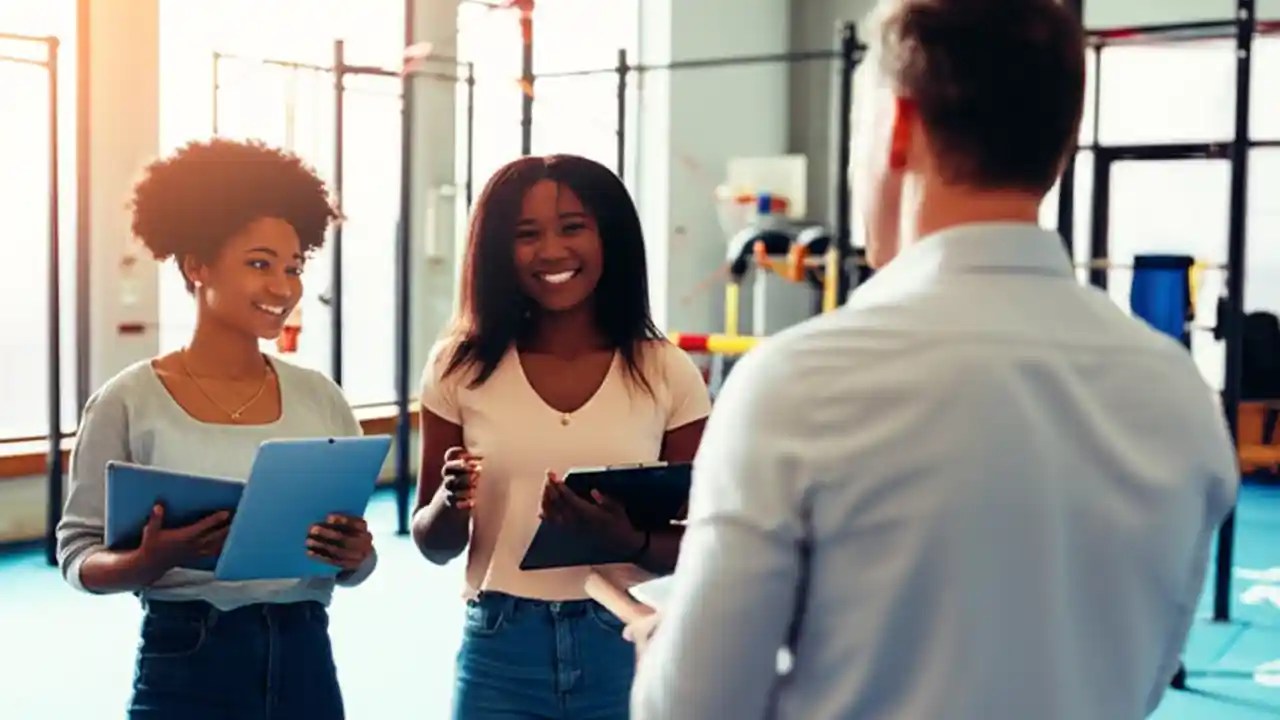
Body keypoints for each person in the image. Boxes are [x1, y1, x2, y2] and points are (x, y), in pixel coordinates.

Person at [626, 1, 1239, 719]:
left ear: (896, 127)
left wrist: (662, 653)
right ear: (1063, 141)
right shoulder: (1180, 397)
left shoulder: (799, 385)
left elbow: (691, 709)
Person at [55, 138, 377, 720]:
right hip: (185, 658)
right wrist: (143, 564)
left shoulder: (321, 400)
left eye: (293, 267)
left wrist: (356, 555)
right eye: (259, 264)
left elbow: (354, 563)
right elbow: (77, 553)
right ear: (195, 265)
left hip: (305, 654)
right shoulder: (127, 401)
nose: (283, 287)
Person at [411, 154, 710, 720]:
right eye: (527, 235)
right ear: (500, 249)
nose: (551, 251)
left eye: (572, 227)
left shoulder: (665, 370)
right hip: (501, 642)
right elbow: (433, 544)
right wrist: (450, 503)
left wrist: (627, 541)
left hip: (628, 636)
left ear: (610, 237)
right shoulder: (458, 367)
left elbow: (703, 543)